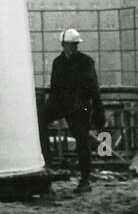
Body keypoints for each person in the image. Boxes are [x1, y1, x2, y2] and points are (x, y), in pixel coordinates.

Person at [39, 28, 106, 193]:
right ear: (63, 45)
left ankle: (85, 178)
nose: (72, 48)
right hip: (63, 103)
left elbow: (93, 88)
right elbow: (55, 87)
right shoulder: (58, 63)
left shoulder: (85, 62)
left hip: (79, 106)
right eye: (70, 45)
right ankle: (47, 165)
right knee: (39, 122)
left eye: (74, 45)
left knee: (82, 141)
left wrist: (98, 110)